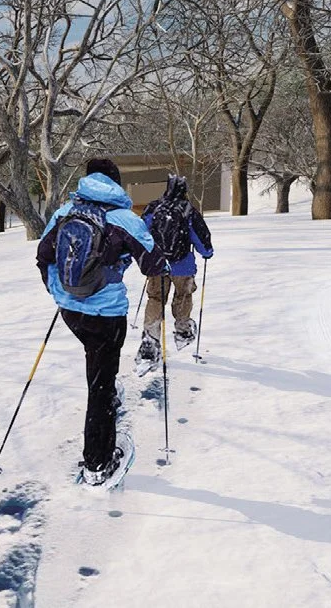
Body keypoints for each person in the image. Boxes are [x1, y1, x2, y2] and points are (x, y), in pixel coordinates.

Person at [36, 158, 168, 486]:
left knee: (96, 365)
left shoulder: (64, 213)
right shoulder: (123, 218)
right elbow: (153, 265)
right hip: (106, 315)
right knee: (99, 387)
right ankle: (98, 464)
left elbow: (43, 257)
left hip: (70, 313)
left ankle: (107, 391)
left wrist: (61, 293)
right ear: (116, 182)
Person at [138, 175, 215, 370]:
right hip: (183, 266)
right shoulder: (189, 211)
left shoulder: (154, 208)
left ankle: (150, 338)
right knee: (183, 295)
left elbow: (141, 233)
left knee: (155, 299)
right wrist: (207, 252)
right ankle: (182, 330)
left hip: (158, 265)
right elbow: (201, 238)